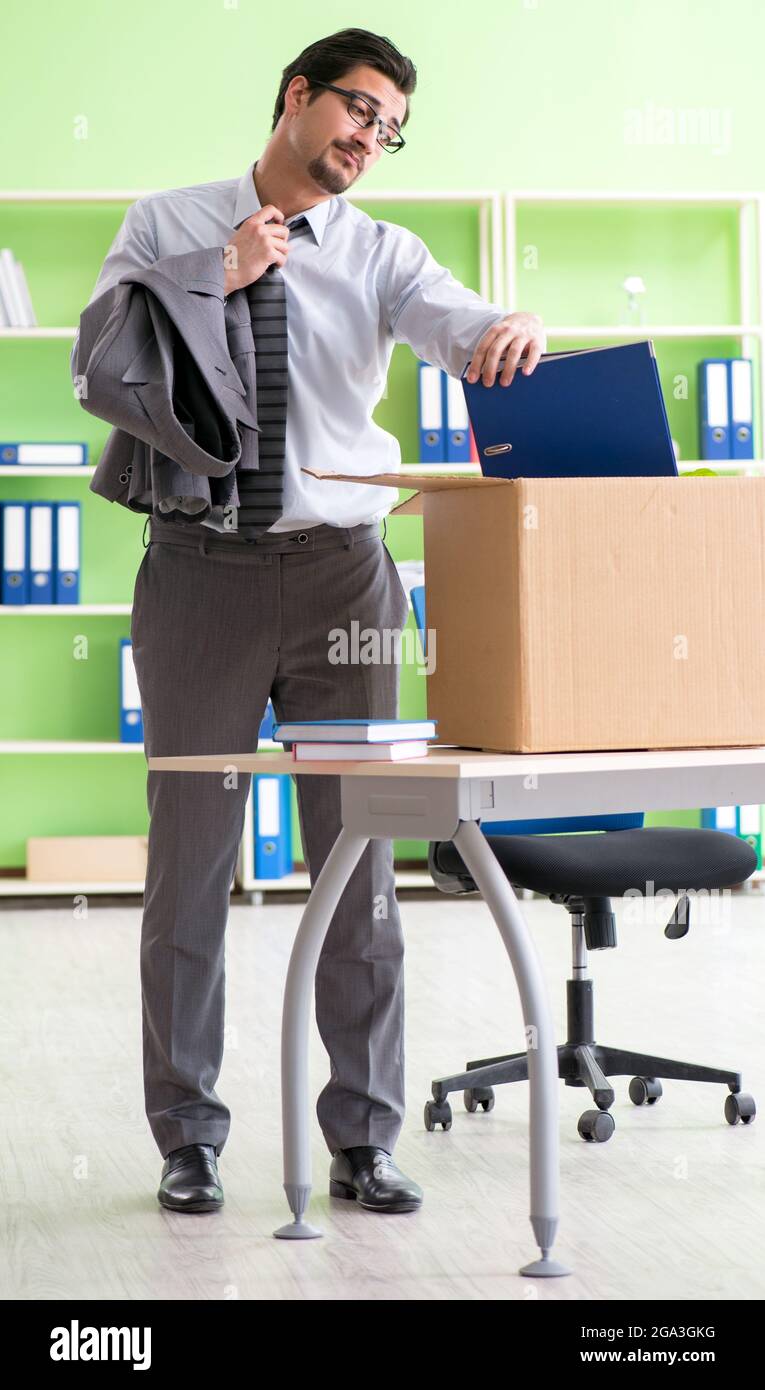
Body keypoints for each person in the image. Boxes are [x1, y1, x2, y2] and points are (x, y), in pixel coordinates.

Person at [75, 25, 545, 1216]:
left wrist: (503, 335)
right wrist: (215, 275)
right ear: (298, 95)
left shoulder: (384, 252)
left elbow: (455, 322)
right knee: (190, 866)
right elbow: (101, 366)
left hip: (346, 578)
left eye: (389, 128)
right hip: (200, 577)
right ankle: (188, 1136)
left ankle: (367, 1137)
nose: (368, 139)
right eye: (358, 110)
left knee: (364, 865)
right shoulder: (167, 222)